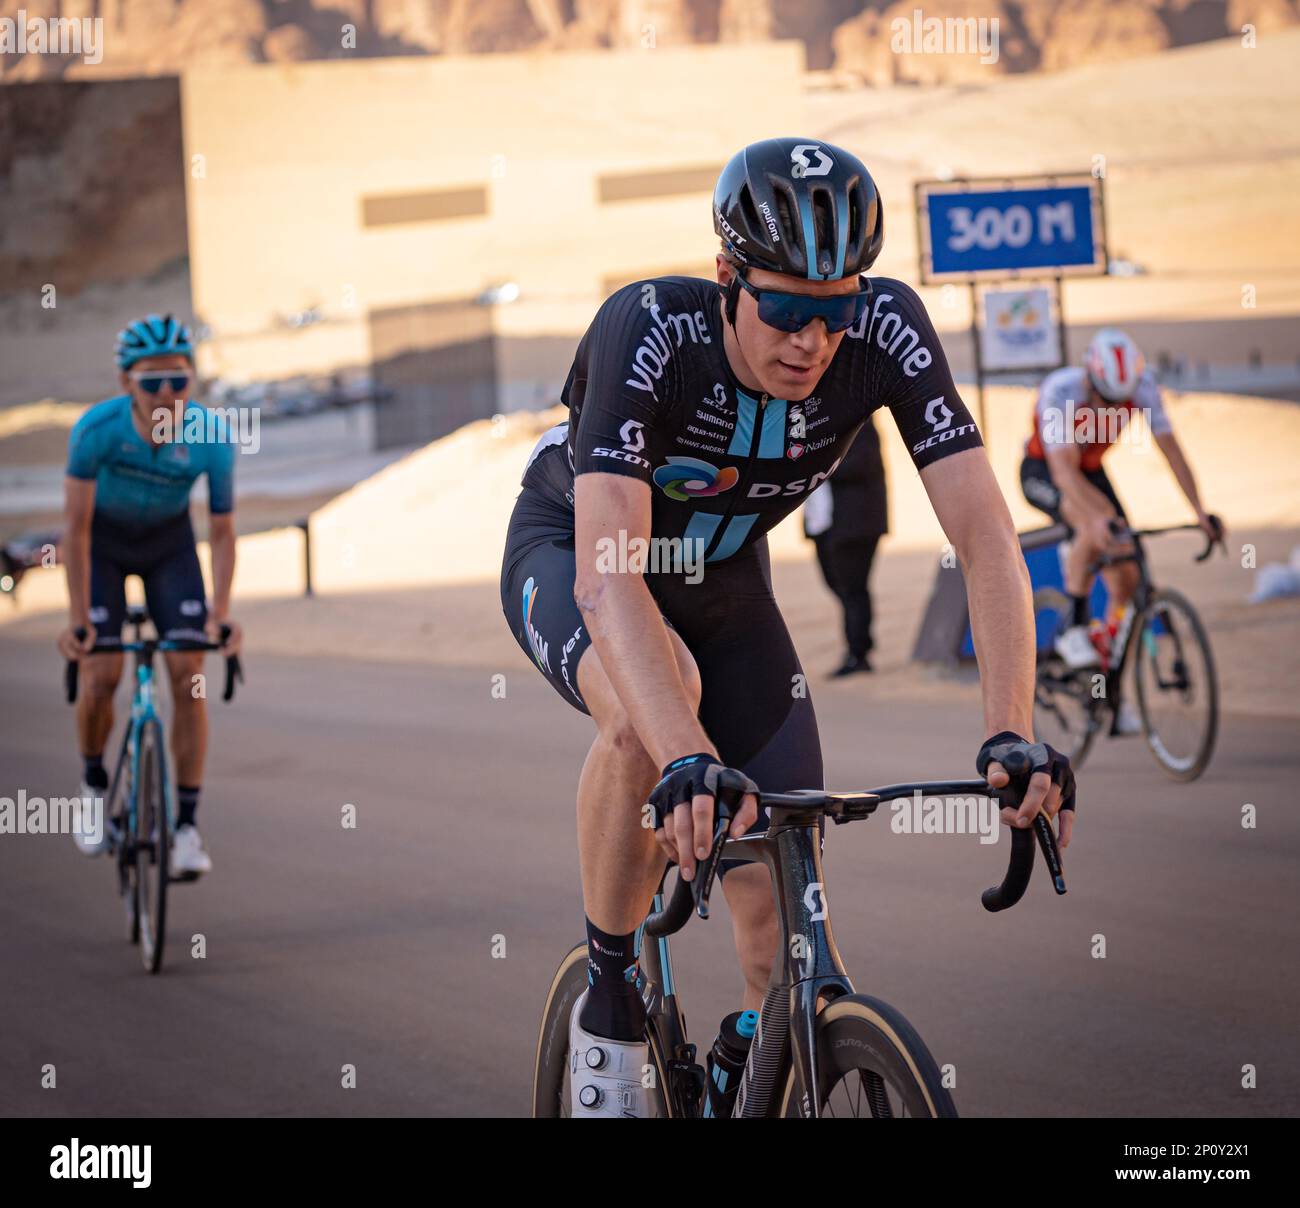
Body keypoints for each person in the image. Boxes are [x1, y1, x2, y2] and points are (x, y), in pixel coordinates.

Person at [500, 138, 1075, 1117]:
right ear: (727, 278)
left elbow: (985, 541)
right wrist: (686, 755)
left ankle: (765, 1062)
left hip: (723, 579)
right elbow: (610, 578)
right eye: (786, 309)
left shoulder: (888, 328)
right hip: (580, 551)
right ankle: (605, 1001)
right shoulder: (647, 328)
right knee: (653, 709)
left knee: (783, 893)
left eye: (835, 309)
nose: (813, 339)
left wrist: (1007, 727)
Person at [56, 315, 241, 875]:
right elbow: (77, 531)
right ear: (125, 384)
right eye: (151, 381)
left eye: (178, 381)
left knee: (189, 673)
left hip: (169, 547)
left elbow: (222, 531)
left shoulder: (212, 436)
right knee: (102, 673)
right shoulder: (95, 431)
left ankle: (185, 828)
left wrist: (221, 615)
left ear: (193, 382)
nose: (166, 395)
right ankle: (93, 789)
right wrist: (77, 619)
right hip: (105, 547)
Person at [1020, 329, 1221, 683]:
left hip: (1092, 470)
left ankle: (1107, 682)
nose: (1112, 408)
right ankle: (1074, 629)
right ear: (1089, 378)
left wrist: (1200, 512)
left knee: (1127, 570)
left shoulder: (1144, 386)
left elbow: (1171, 450)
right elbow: (1064, 474)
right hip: (1045, 470)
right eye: (1105, 398)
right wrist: (1098, 519)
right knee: (1091, 524)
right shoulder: (1060, 391)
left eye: (1120, 401)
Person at [802, 412, 888, 676]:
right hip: (825, 524)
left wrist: (814, 463)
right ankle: (860, 640)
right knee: (836, 584)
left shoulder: (859, 421)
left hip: (855, 524)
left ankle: (858, 653)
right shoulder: (812, 424)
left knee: (853, 590)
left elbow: (862, 463)